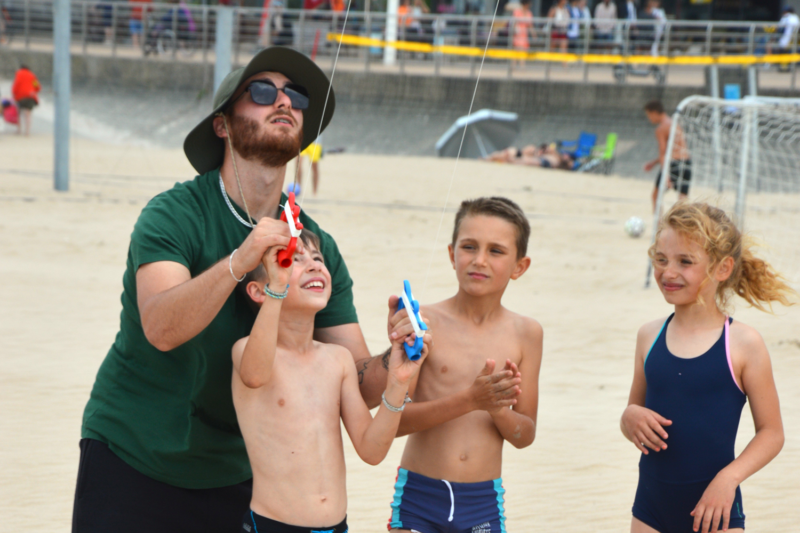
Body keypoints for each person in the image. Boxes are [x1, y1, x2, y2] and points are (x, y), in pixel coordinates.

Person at [71, 45, 518, 533]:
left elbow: (356, 380)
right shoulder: (175, 214)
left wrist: (395, 355)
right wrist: (242, 259)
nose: (284, 101)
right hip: (134, 453)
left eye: (297, 97)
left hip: (241, 474)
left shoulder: (315, 246)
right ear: (222, 125)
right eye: (262, 91)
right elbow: (160, 328)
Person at [233, 228, 429, 533]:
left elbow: (371, 450)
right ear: (259, 291)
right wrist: (278, 287)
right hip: (274, 526)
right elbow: (255, 375)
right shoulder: (247, 351)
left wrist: (398, 382)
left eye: (317, 258)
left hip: (338, 526)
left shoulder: (338, 360)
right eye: (293, 260)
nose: (313, 265)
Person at [621, 201, 794, 533]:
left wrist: (729, 478)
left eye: (685, 261)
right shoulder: (648, 336)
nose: (668, 272)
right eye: (661, 259)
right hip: (649, 511)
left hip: (717, 513)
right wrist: (628, 418)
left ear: (722, 268)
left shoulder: (743, 344)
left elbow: (772, 433)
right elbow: (634, 412)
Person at [387, 197, 543, 533]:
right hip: (419, 497)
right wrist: (471, 400)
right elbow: (394, 422)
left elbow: (525, 435)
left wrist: (497, 410)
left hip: (482, 501)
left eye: (496, 251)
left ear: (520, 266)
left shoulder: (527, 334)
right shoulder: (424, 323)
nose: (479, 260)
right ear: (451, 254)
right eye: (469, 246)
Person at [643, 100, 690, 213]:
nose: (649, 118)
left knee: (656, 196)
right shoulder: (675, 124)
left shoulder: (661, 128)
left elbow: (663, 152)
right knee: (682, 200)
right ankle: (683, 223)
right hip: (687, 162)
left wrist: (666, 175)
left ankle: (658, 223)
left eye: (648, 115)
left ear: (654, 112)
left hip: (673, 164)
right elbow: (675, 150)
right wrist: (654, 163)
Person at [11, 64, 40, 137]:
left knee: (18, 113)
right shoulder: (32, 75)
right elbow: (37, 87)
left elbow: (16, 85)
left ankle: (19, 130)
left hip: (20, 97)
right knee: (28, 114)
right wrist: (33, 91)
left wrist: (14, 94)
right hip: (30, 96)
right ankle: (27, 132)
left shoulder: (19, 74)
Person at [511, 0, 535, 68]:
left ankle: (522, 66)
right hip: (518, 34)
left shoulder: (529, 13)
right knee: (516, 52)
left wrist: (533, 34)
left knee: (523, 52)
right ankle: (513, 67)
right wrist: (515, 30)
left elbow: (530, 25)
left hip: (524, 35)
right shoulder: (517, 12)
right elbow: (514, 23)